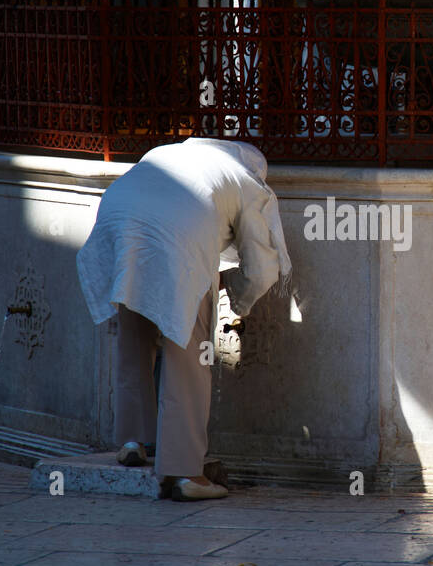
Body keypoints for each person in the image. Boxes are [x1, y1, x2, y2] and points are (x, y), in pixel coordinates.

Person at [76, 138, 291, 501]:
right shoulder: (247, 181)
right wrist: (236, 294)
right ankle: (186, 472)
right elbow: (260, 268)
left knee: (134, 331)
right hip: (175, 234)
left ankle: (134, 439)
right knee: (188, 354)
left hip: (118, 217)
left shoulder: (169, 153)